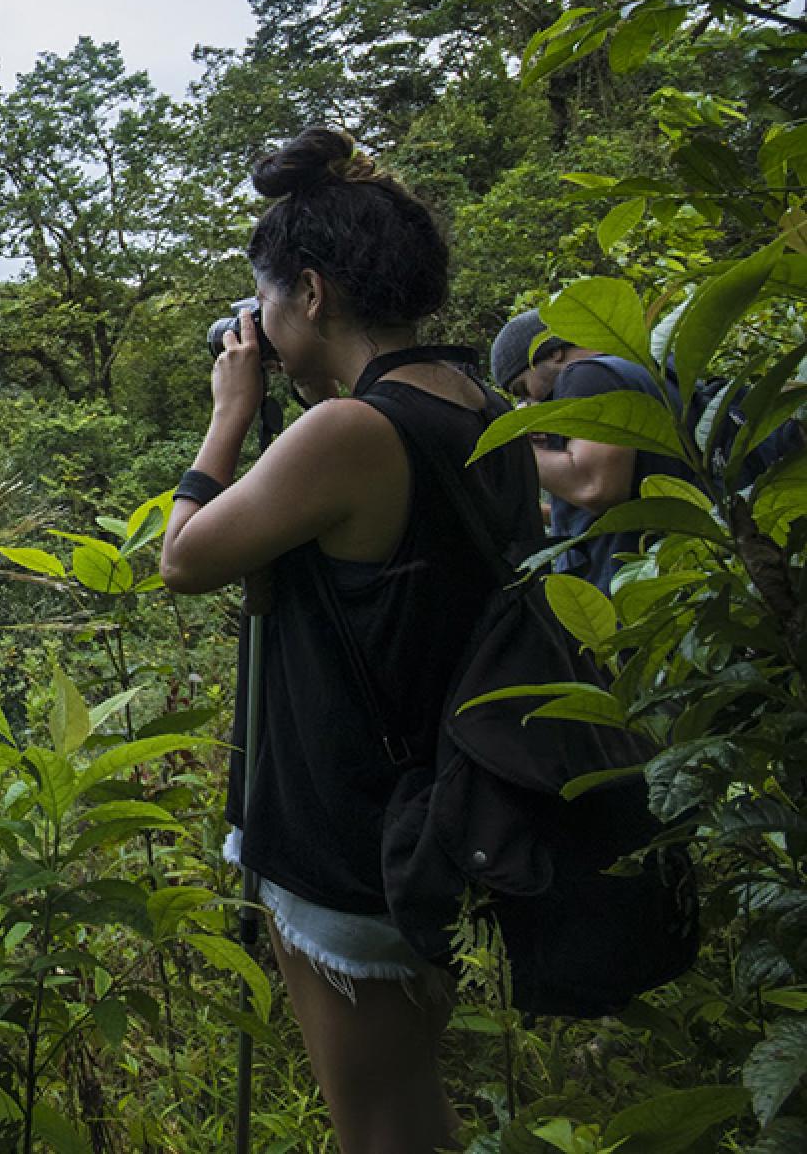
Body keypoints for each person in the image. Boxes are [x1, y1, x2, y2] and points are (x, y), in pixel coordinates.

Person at [158, 127, 543, 1154]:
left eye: (267, 294)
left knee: (381, 1125)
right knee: (409, 1099)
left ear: (313, 291)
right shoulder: (481, 408)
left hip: (346, 831)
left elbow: (183, 558)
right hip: (441, 807)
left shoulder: (343, 436)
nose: (262, 318)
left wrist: (230, 413)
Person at [489, 309, 693, 593]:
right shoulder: (654, 372)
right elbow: (635, 496)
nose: (529, 401)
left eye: (523, 388)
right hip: (685, 569)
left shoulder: (588, 373)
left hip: (632, 588)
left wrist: (508, 446)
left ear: (553, 353)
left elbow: (595, 488)